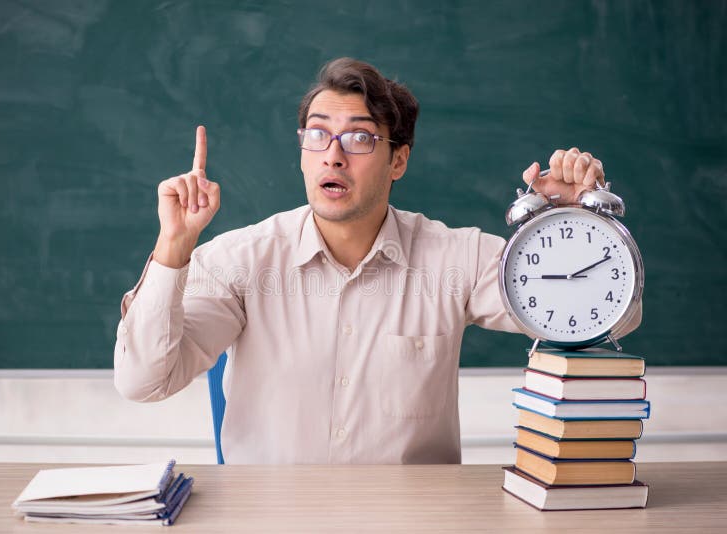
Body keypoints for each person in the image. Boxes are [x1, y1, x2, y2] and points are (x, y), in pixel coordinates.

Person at [114, 57, 639, 464]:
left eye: (360, 137)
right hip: (270, 516)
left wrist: (575, 227)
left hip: (413, 518)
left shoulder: (454, 257)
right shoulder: (239, 259)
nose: (333, 154)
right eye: (317, 134)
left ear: (398, 160)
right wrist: (172, 249)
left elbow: (615, 319)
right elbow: (142, 383)